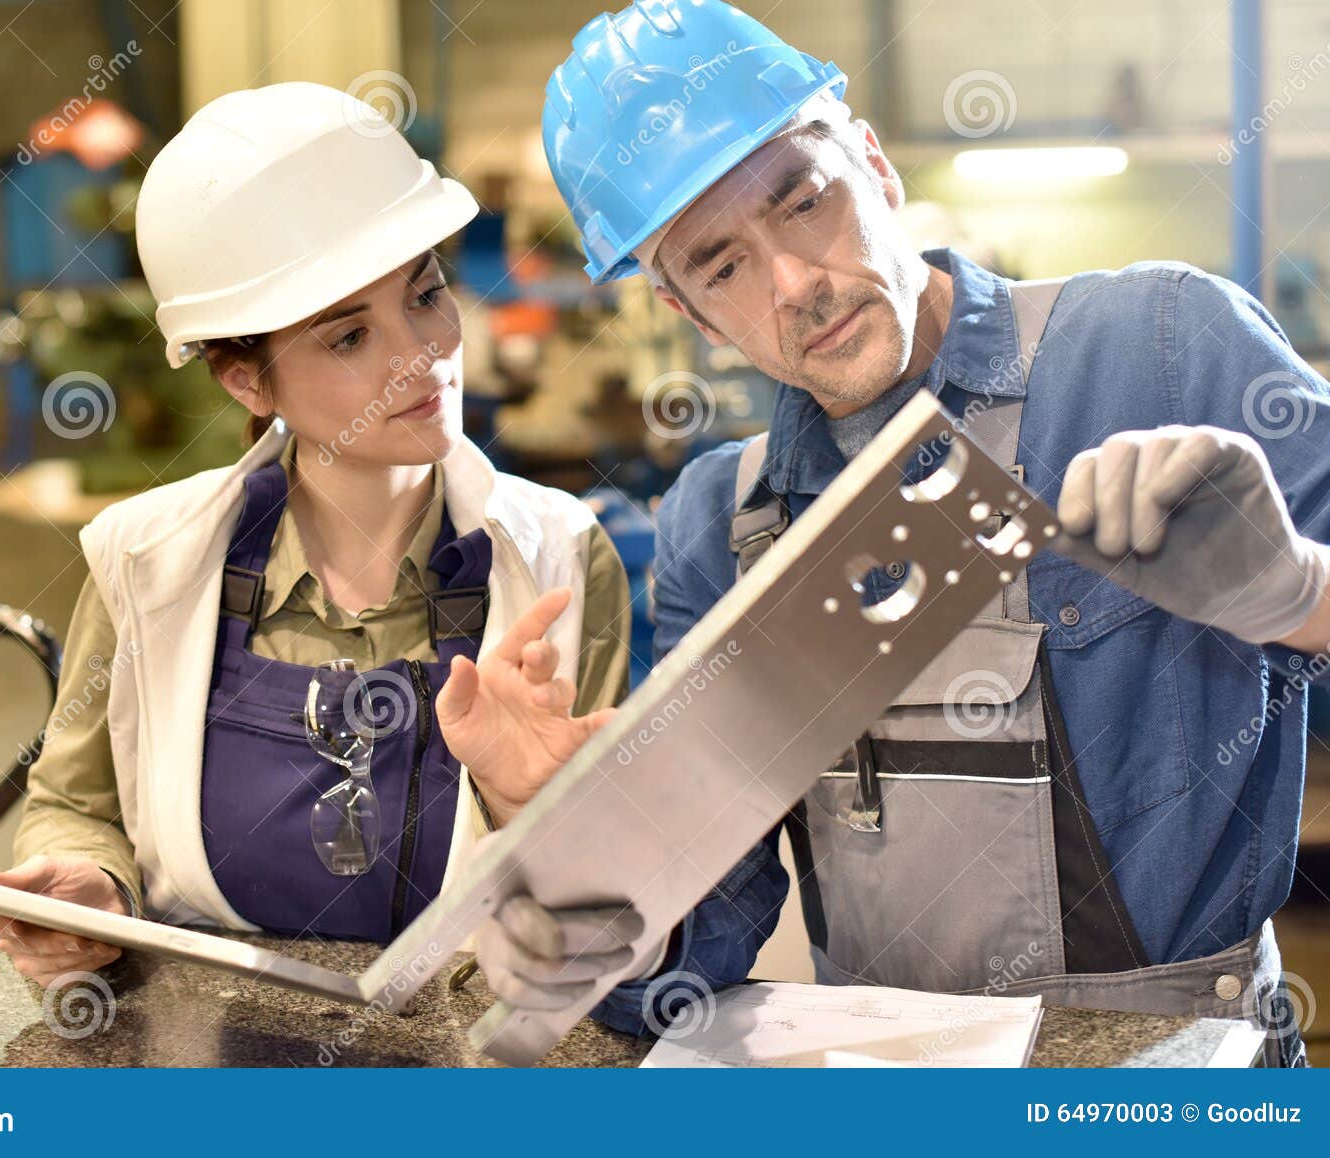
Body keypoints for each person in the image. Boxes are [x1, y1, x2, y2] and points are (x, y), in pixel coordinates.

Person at [471, 0, 1325, 1066]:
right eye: (722, 265)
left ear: (871, 164)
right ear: (689, 312)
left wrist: (1300, 596)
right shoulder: (721, 527)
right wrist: (590, 867)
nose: (796, 287)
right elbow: (712, 942)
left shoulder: (1156, 351)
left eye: (802, 204)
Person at [0, 82, 631, 985]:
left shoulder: (556, 560)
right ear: (247, 381)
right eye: (349, 337)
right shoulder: (148, 563)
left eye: (427, 293)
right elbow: (75, 805)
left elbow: (610, 933)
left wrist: (533, 814)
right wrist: (93, 890)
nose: (423, 354)